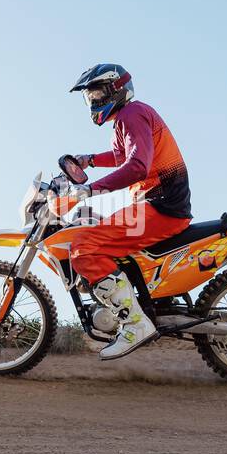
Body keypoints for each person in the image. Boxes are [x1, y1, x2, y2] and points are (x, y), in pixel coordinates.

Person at [63, 63, 192, 360]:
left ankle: (135, 325)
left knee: (84, 248)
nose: (93, 101)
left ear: (116, 90)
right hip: (156, 203)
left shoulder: (132, 114)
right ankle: (135, 308)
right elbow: (123, 155)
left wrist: (91, 189)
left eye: (96, 93)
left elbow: (136, 166)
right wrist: (89, 160)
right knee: (94, 230)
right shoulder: (127, 118)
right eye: (89, 96)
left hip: (161, 205)